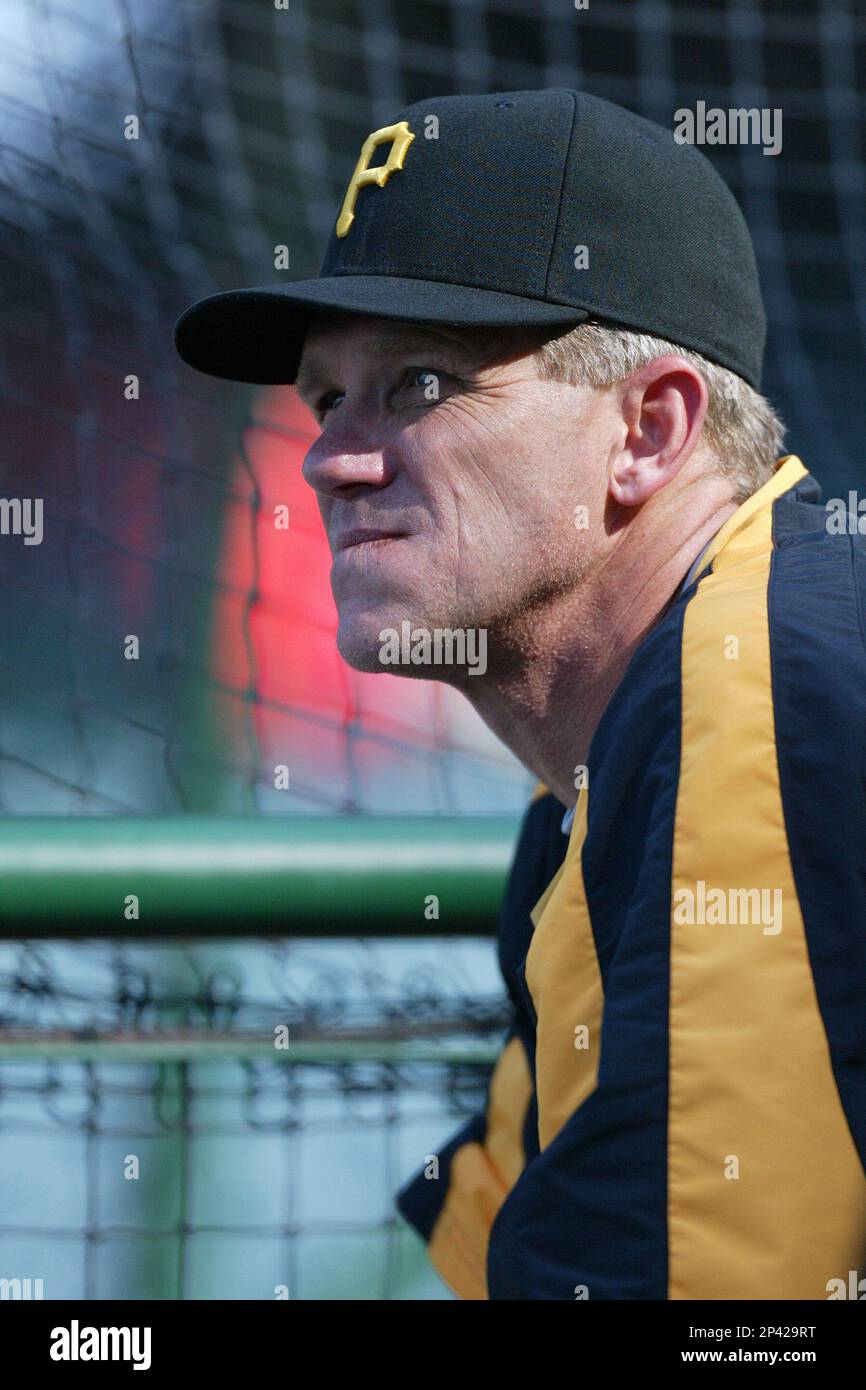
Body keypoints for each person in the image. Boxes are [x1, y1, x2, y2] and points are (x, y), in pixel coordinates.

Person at [176, 89, 866, 1300]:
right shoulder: (600, 776)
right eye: (327, 396)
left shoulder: (753, 693)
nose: (333, 458)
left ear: (648, 430)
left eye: (422, 386)